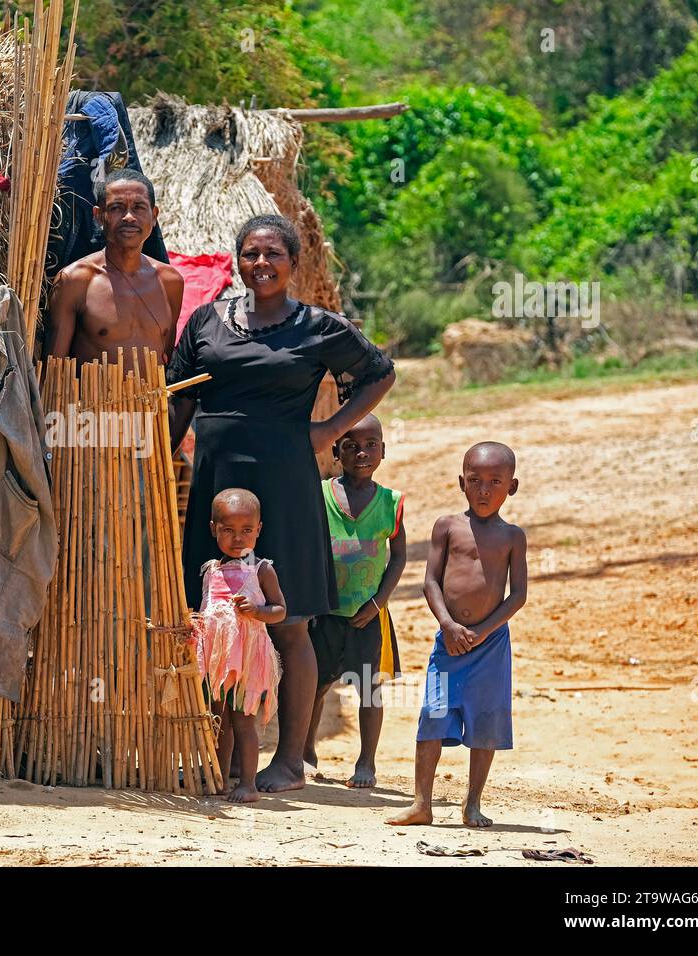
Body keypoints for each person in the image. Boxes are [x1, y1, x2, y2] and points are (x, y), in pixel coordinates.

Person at [168, 213, 396, 793]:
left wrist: (328, 431)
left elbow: (379, 372)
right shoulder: (206, 322)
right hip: (219, 489)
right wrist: (149, 457)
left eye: (273, 253)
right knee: (212, 614)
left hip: (289, 485)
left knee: (290, 620)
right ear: (237, 261)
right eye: (251, 253)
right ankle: (212, 755)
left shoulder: (318, 326)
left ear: (294, 263)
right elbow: (176, 402)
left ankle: (290, 760)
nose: (261, 264)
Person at [387, 442, 528, 828]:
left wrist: (481, 632)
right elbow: (430, 582)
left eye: (494, 482)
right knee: (431, 718)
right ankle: (421, 804)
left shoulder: (512, 536)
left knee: (485, 723)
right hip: (448, 643)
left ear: (511, 487)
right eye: (475, 481)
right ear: (461, 483)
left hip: (491, 646)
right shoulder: (447, 526)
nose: (484, 490)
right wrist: (448, 625)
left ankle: (473, 803)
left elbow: (518, 595)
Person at [306, 413, 406, 789]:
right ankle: (305, 752)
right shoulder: (320, 494)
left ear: (383, 450)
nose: (361, 453)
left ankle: (366, 762)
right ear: (336, 451)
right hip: (325, 611)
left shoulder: (390, 502)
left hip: (369, 615)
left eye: (370, 446)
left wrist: (379, 602)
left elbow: (398, 557)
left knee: (369, 688)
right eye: (350, 446)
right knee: (315, 685)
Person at [193, 488, 286, 804]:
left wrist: (257, 611)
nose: (238, 538)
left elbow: (279, 610)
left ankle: (248, 784)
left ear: (259, 530)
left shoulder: (262, 569)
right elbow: (208, 612)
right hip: (218, 665)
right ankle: (218, 777)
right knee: (218, 722)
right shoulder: (211, 570)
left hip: (247, 663)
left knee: (244, 721)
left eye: (247, 530)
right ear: (213, 529)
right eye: (228, 530)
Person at [45, 168, 184, 368]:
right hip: (91, 399)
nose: (129, 217)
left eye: (139, 207)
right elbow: (53, 370)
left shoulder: (170, 281)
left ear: (154, 216)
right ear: (99, 215)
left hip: (152, 399)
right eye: (117, 208)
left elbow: (165, 357)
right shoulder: (75, 281)